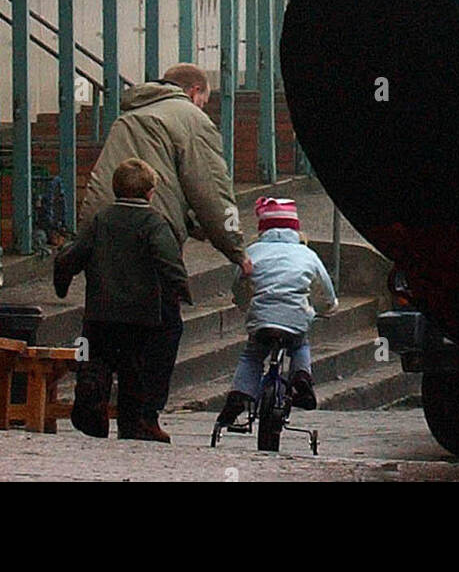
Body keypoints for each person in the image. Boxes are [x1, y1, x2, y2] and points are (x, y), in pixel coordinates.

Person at [79, 64, 251, 422]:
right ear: (194, 92)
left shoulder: (129, 117)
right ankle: (142, 416)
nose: (203, 107)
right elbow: (210, 192)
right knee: (161, 329)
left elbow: (161, 187)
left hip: (103, 230)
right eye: (204, 99)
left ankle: (92, 393)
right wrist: (235, 248)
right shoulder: (190, 119)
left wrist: (79, 248)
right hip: (152, 237)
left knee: (104, 322)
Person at [55, 158, 192, 442]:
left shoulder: (101, 219)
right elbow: (168, 258)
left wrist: (63, 281)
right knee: (136, 372)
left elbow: (74, 254)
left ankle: (93, 403)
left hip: (99, 314)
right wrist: (181, 288)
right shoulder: (154, 221)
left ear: (115, 189)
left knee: (96, 360)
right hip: (141, 316)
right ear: (150, 192)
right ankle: (137, 421)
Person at [215, 197, 338, 427]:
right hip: (295, 318)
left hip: (261, 318)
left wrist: (244, 305)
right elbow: (325, 289)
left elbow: (239, 284)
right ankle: (302, 378)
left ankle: (239, 395)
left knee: (252, 355)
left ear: (263, 229)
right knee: (300, 343)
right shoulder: (307, 255)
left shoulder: (251, 252)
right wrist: (328, 308)